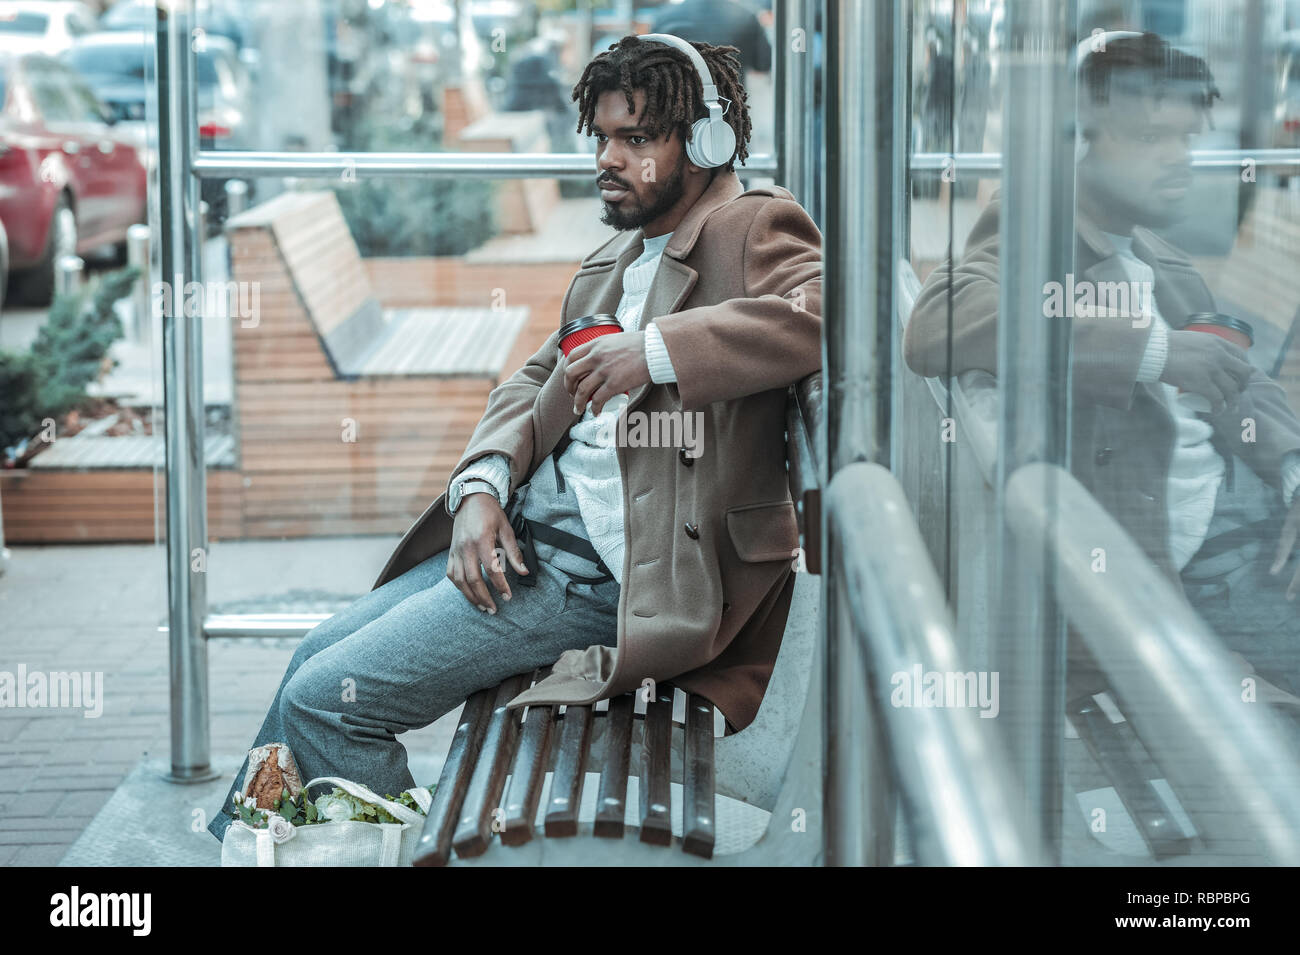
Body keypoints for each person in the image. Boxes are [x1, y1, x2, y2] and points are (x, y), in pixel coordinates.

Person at [207, 34, 822, 841]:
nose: (607, 157)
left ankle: (374, 855)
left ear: (707, 140)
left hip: (613, 581)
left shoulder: (755, 227)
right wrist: (480, 490)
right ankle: (257, 853)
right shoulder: (620, 256)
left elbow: (832, 313)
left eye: (636, 138)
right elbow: (533, 381)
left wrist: (657, 351)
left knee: (328, 702)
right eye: (601, 136)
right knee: (312, 663)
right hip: (529, 543)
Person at [904, 32, 1300, 705]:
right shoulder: (1032, 232)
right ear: (1075, 143)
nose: (1180, 161)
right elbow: (939, 321)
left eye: (1187, 138)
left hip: (1252, 517)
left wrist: (1292, 469)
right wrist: (1153, 351)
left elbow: (1241, 376)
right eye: (1150, 140)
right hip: (1212, 556)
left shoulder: (1151, 251)